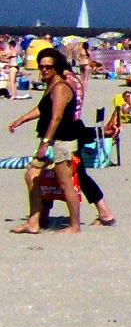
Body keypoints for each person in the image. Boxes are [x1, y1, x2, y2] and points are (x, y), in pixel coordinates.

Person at [8, 49, 83, 234]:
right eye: (41, 67)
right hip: (51, 140)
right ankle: (33, 222)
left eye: (48, 67)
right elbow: (42, 109)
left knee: (65, 183)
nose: (44, 70)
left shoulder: (60, 87)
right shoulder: (50, 85)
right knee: (31, 176)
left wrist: (45, 143)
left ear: (56, 67)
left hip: (61, 140)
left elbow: (56, 118)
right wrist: (20, 120)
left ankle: (74, 226)